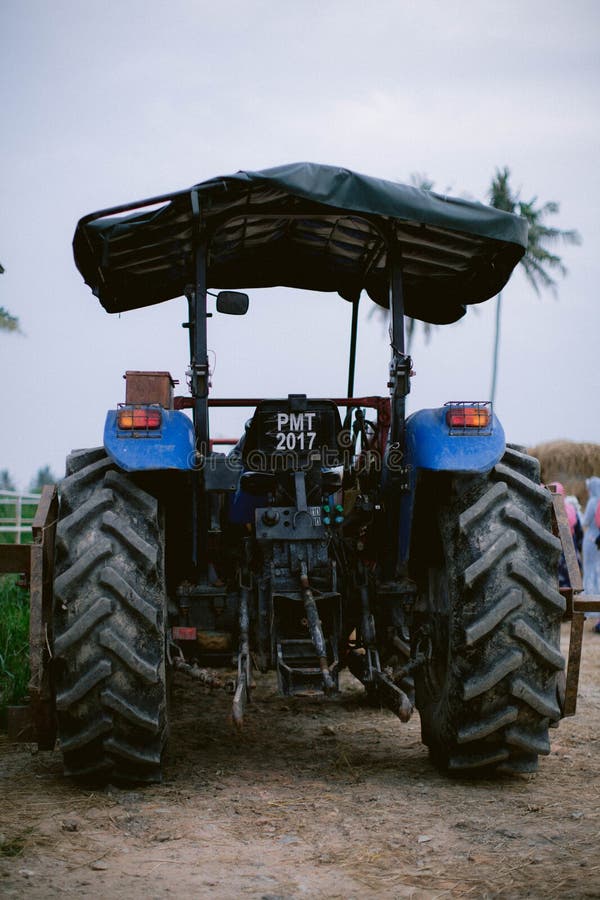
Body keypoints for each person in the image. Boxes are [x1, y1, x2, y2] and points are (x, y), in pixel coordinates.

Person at [581, 476, 600, 631]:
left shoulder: (593, 502)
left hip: (591, 538)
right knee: (598, 571)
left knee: (589, 571)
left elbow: (585, 522)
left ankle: (590, 606)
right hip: (598, 538)